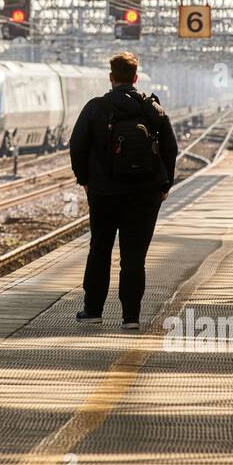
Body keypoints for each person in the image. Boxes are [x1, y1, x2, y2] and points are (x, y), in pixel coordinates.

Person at [68, 52, 178, 329]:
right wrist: (164, 185)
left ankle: (93, 310)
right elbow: (170, 148)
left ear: (111, 77)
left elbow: (77, 145)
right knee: (134, 257)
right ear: (135, 78)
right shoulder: (153, 110)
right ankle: (131, 317)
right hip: (144, 194)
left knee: (100, 250)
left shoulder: (96, 108)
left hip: (104, 193)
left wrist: (85, 179)